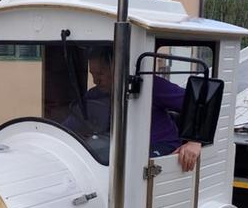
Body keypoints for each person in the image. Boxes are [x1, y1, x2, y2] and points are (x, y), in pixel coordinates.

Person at [70, 47, 201, 172]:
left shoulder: (150, 85)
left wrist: (195, 141)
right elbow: (74, 121)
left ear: (116, 67)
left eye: (100, 73)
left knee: (133, 170)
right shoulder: (95, 95)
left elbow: (197, 103)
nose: (95, 80)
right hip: (120, 145)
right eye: (92, 74)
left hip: (160, 144)